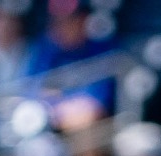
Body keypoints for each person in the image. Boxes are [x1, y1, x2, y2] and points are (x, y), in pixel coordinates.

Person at [25, 0, 119, 130]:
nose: (60, 27)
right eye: (56, 21)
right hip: (47, 127)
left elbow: (94, 108)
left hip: (88, 130)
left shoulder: (100, 50)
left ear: (83, 19)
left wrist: (54, 104)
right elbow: (29, 96)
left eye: (68, 20)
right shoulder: (45, 49)